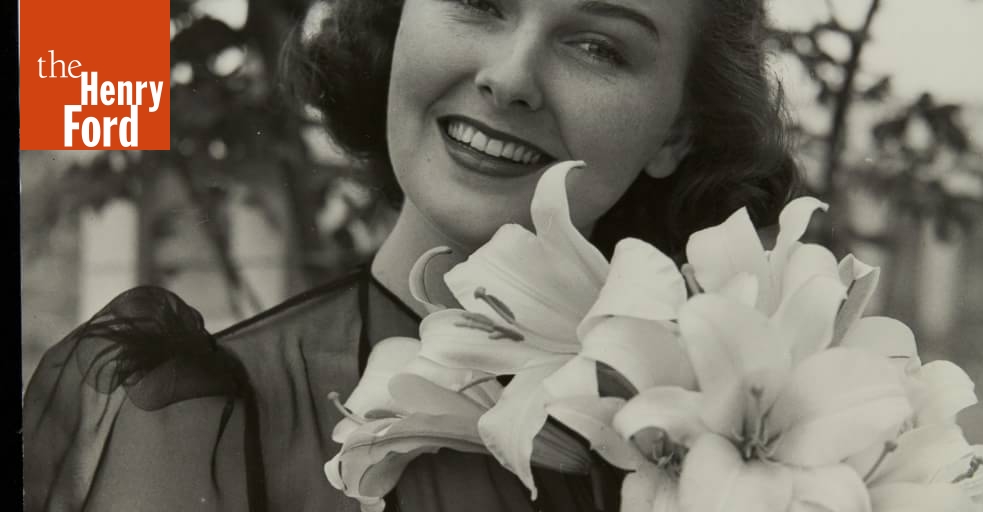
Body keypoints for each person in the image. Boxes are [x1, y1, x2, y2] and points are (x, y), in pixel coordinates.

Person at [22, 0, 801, 510]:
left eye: (597, 46)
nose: (509, 78)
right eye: (479, 1)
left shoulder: (763, 415)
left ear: (678, 131)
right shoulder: (196, 420)